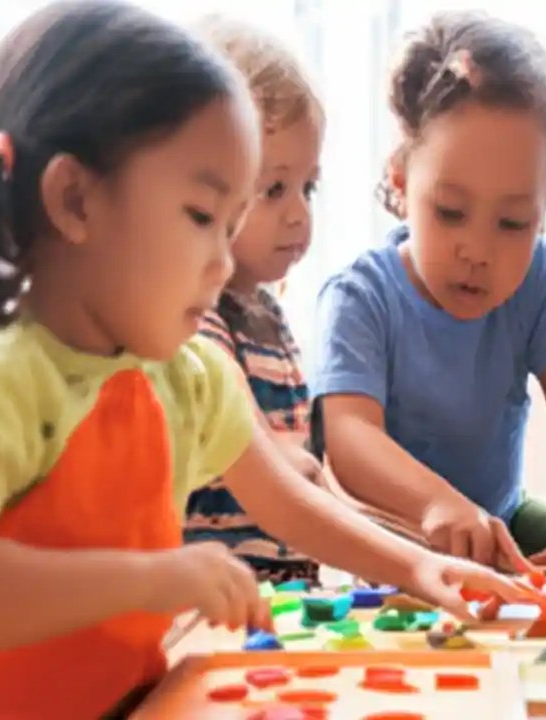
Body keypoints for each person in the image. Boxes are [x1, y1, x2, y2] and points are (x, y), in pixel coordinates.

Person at [0, 3, 529, 716]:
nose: (220, 261)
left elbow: (293, 505)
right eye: (203, 218)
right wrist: (146, 580)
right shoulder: (0, 383)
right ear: (75, 199)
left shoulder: (187, 379)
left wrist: (421, 565)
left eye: (234, 223)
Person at [311, 11, 546, 573]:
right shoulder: (361, 296)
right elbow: (348, 432)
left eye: (512, 223)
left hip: (503, 520)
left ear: (544, 207)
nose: (478, 250)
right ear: (402, 183)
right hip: (396, 541)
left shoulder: (538, 276)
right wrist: (437, 505)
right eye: (451, 212)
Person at [182, 15, 327, 586]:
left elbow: (309, 474)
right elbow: (273, 464)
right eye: (273, 189)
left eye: (308, 187)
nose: (299, 213)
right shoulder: (196, 323)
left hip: (285, 590)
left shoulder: (271, 318)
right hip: (219, 600)